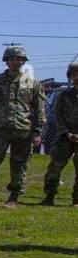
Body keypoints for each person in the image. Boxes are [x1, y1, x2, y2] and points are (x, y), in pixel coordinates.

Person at [0, 45, 46, 207]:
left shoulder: (32, 84)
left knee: (19, 165)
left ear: (24, 61)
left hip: (23, 131)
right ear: (6, 61)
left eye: (19, 59)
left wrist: (38, 132)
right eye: (12, 59)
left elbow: (39, 110)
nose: (15, 62)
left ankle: (13, 198)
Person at [41, 61, 78, 206]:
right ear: (70, 76)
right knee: (55, 167)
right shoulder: (64, 95)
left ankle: (76, 199)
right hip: (64, 138)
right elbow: (58, 114)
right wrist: (66, 132)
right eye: (74, 75)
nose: (77, 77)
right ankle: (49, 196)